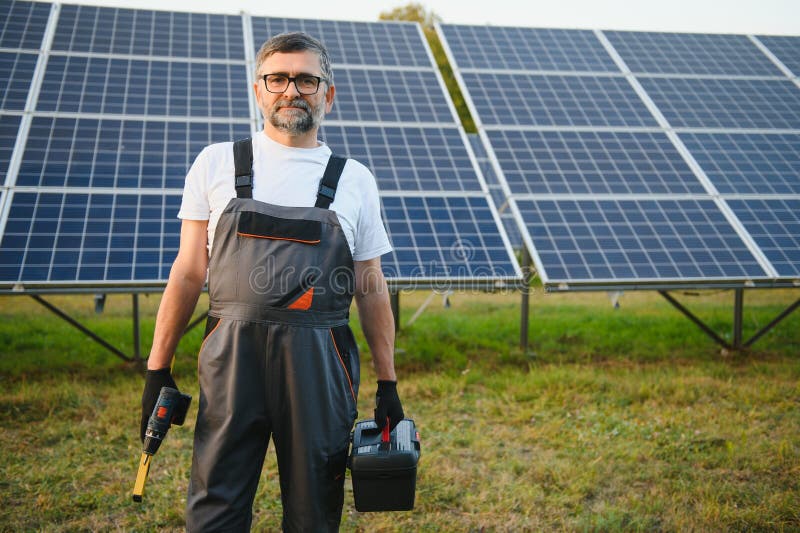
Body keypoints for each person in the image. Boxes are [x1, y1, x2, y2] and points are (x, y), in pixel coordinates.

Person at [139, 31, 404, 532]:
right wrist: (158, 368)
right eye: (278, 78)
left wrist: (387, 382)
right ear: (259, 89)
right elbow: (189, 271)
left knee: (314, 509)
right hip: (229, 358)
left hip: (320, 363)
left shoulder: (354, 179)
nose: (291, 91)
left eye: (306, 79)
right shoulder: (217, 163)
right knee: (215, 503)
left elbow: (370, 284)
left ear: (328, 93)